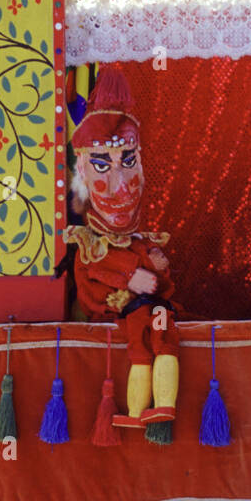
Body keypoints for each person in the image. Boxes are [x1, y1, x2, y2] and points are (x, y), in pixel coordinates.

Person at [63, 68, 179, 428]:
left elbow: (159, 281)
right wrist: (129, 277)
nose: (121, 187)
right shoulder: (89, 244)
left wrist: (157, 267)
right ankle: (134, 413)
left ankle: (161, 406)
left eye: (128, 163)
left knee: (161, 335)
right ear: (81, 171)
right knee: (142, 348)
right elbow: (95, 276)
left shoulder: (140, 240)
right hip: (121, 316)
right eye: (102, 167)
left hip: (147, 313)